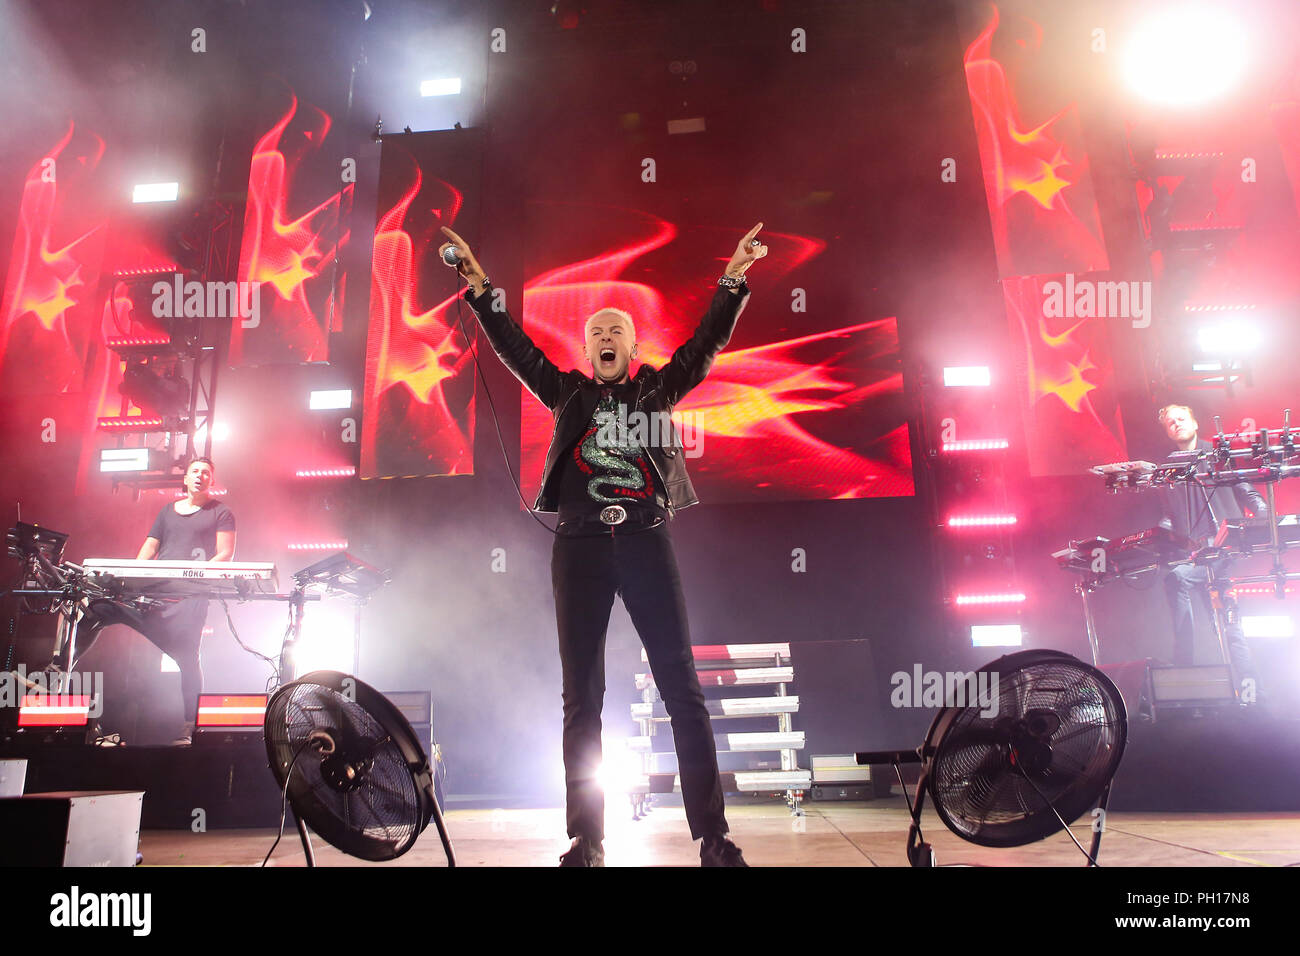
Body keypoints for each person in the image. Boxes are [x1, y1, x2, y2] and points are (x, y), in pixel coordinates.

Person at [439, 222, 767, 866]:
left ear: (634, 345)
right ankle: (587, 839)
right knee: (581, 694)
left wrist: (734, 278)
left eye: (616, 331)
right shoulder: (568, 395)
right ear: (587, 351)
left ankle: (713, 837)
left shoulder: (655, 390)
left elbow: (703, 347)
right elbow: (515, 347)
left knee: (682, 686)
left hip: (645, 539)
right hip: (581, 546)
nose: (605, 339)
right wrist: (479, 285)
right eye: (596, 335)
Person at [68, 457, 235, 744]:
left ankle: (190, 727)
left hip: (188, 601)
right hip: (151, 597)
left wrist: (194, 577)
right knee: (100, 608)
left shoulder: (221, 512)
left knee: (188, 659)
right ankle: (62, 667)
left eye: (206, 473)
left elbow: (225, 555)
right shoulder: (167, 511)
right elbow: (149, 549)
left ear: (212, 481)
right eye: (195, 471)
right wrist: (130, 579)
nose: (199, 475)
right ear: (185, 479)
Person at [1156, 404, 1265, 694]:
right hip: (1196, 556)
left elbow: (1248, 491)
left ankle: (1246, 691)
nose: (1176, 424)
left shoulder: (1217, 456)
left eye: (1180, 419)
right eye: (1170, 423)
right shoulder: (1168, 469)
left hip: (1224, 552)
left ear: (1193, 423)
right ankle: (1191, 675)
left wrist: (1267, 521)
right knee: (1225, 625)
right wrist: (1163, 534)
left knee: (1228, 627)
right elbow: (1169, 515)